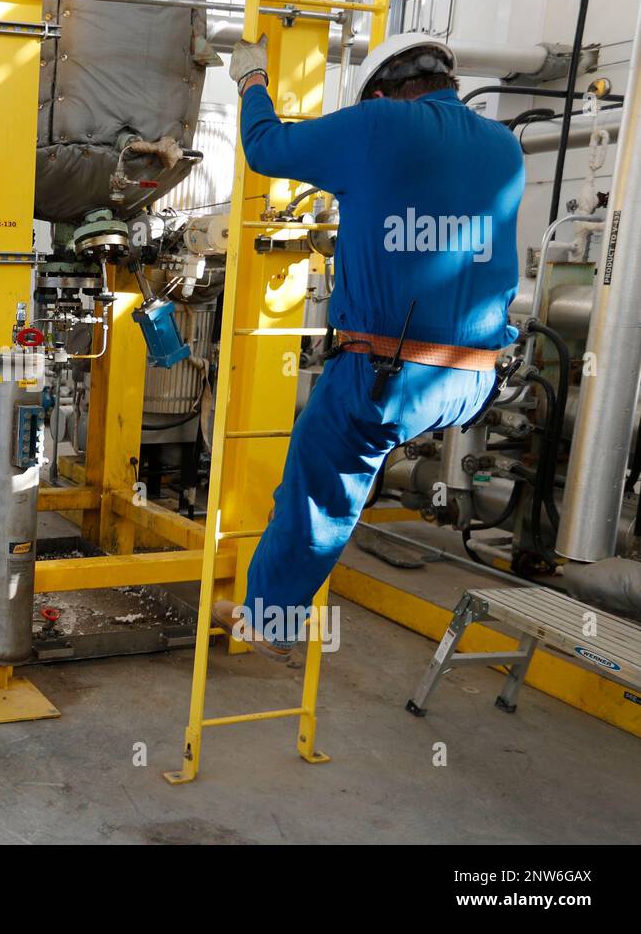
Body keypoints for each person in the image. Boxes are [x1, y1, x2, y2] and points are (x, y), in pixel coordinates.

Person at [214, 33, 523, 660]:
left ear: (383, 90)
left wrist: (251, 82)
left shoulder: (380, 124)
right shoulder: (506, 146)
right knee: (349, 463)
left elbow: (266, 148)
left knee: (316, 489)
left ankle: (269, 619)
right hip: (473, 383)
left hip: (389, 374)